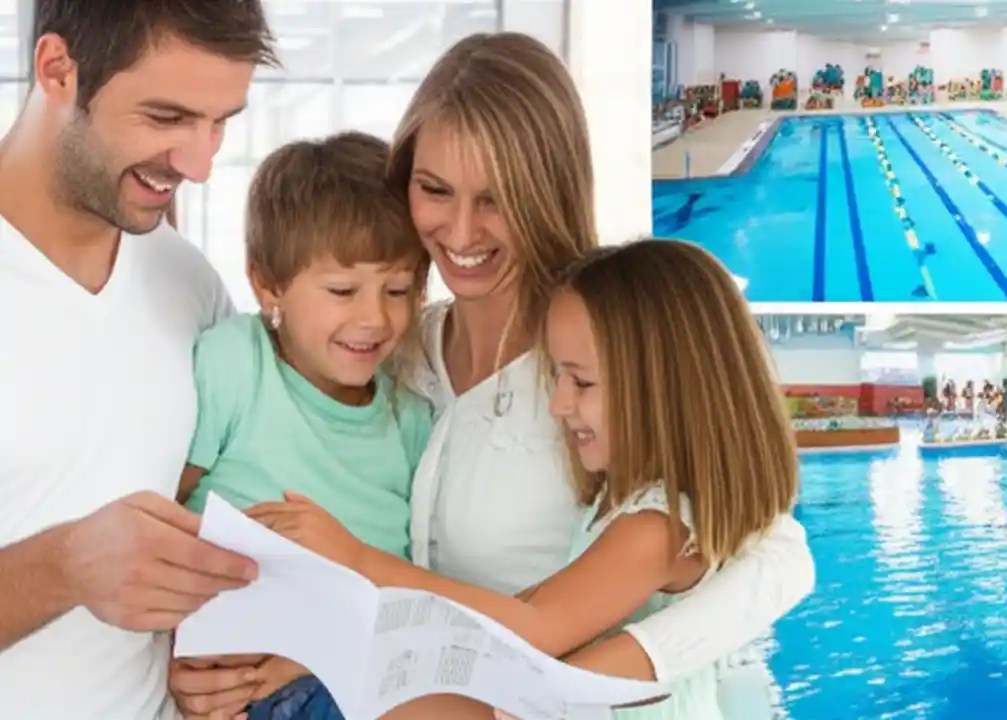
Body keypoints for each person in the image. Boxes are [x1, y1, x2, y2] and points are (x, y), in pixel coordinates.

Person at [172, 32, 813, 720]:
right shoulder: (391, 352)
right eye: (434, 190)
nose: (460, 231)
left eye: (496, 198)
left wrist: (618, 665)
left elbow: (775, 552)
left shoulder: (612, 356)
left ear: (547, 190)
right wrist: (286, 652)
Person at [248, 237, 800, 720]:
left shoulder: (659, 527)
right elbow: (510, 614)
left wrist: (358, 558)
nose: (559, 404)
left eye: (580, 382)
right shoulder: (628, 504)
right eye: (558, 376)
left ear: (664, 387)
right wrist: (333, 648)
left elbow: (535, 628)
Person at [0, 1, 276, 718]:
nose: (200, 163)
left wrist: (208, 666)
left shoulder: (189, 286)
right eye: (167, 118)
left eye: (221, 122)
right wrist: (61, 567)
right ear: (58, 69)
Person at [176, 132, 436, 720]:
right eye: (343, 290)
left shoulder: (412, 417)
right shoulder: (235, 363)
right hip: (243, 679)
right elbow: (160, 509)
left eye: (398, 289)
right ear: (269, 285)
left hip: (356, 667)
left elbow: (413, 585)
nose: (374, 318)